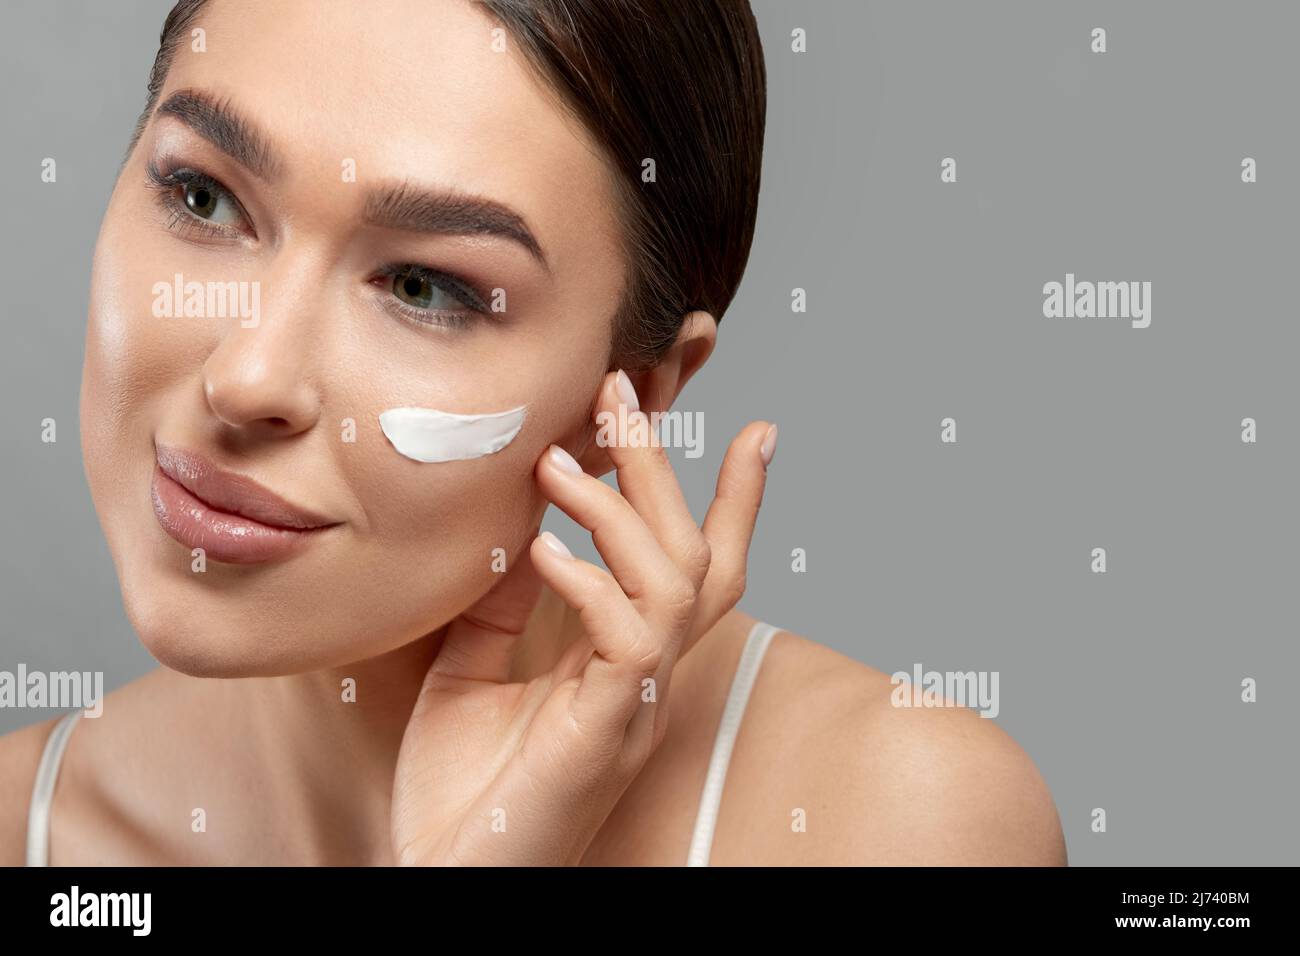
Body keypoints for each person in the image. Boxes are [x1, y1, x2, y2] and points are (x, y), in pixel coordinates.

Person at [0, 0, 1066, 866]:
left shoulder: (896, 823)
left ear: (634, 394)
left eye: (425, 285)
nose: (246, 377)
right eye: (202, 194)